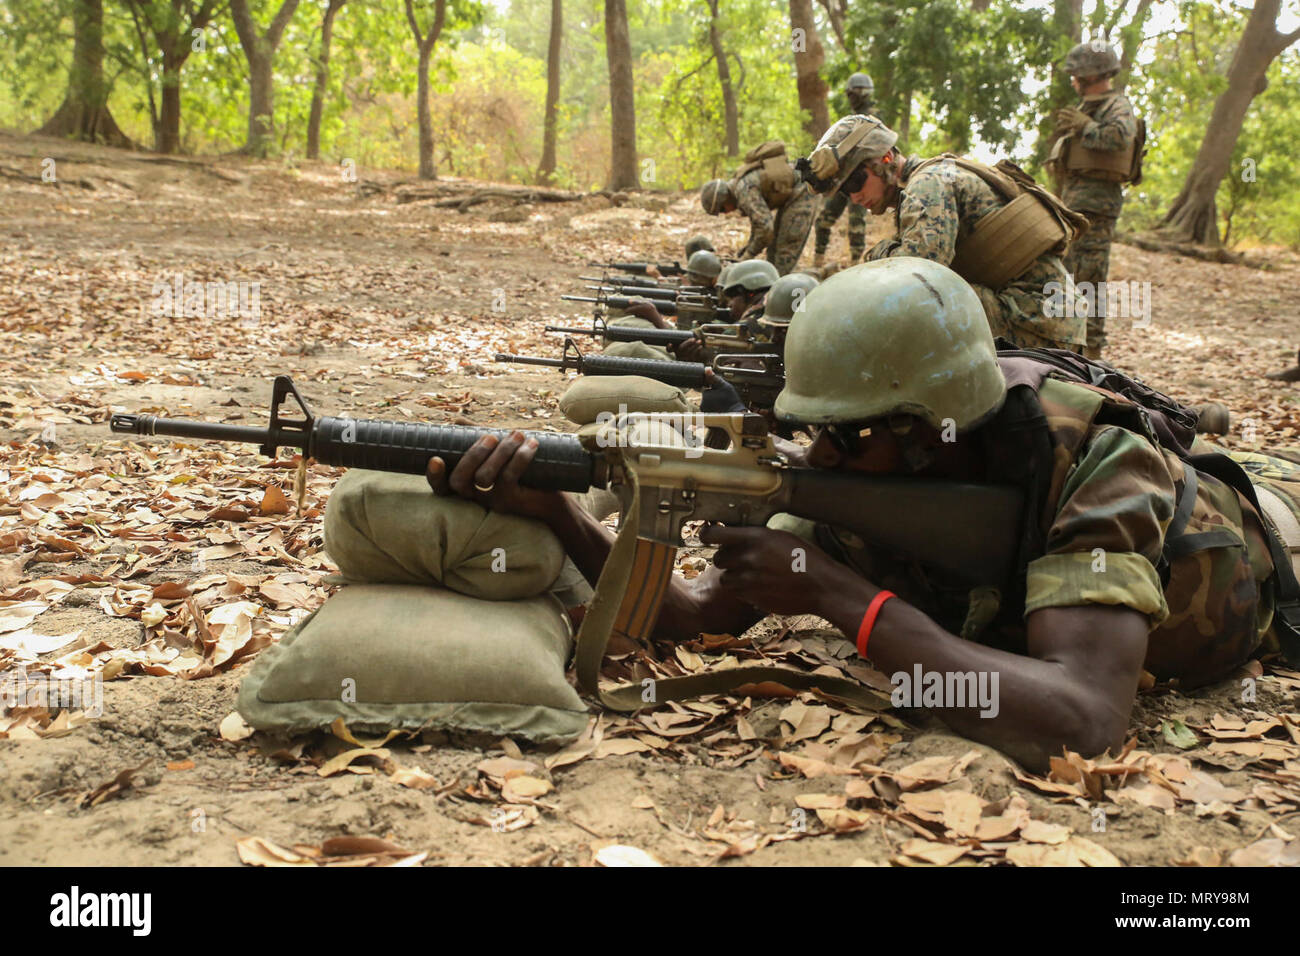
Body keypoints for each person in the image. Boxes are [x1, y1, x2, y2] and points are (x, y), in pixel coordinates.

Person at [407, 258, 1300, 771]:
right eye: (811, 435)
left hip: (1274, 533)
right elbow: (694, 615)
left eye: (845, 438)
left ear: (929, 434)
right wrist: (558, 512)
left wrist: (844, 599)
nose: (816, 460)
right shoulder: (853, 478)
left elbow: (1087, 723)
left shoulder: (1101, 465)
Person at [801, 114, 1087, 351]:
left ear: (885, 158)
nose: (854, 197)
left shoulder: (927, 184)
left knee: (916, 309)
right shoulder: (929, 179)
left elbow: (917, 278)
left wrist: (877, 254)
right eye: (845, 192)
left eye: (855, 182)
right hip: (1045, 317)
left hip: (1038, 321)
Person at [1048, 38, 1143, 360]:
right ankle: (1068, 349)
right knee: (1069, 279)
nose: (1073, 81)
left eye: (1076, 75)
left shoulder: (1117, 105)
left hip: (1097, 208)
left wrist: (1087, 126)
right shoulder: (1088, 108)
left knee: (1089, 280)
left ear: (1091, 75)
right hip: (1075, 205)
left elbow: (1120, 136)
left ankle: (1091, 354)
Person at [699, 147, 816, 276]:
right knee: (773, 252)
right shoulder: (740, 186)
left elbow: (765, 229)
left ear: (724, 198)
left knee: (784, 253)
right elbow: (759, 223)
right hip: (793, 192)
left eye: (722, 209)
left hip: (803, 189)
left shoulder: (744, 192)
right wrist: (748, 248)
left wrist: (747, 256)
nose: (725, 213)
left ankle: (806, 283)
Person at [813, 73, 874, 269]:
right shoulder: (851, 119)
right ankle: (817, 261)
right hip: (842, 179)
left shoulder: (874, 117)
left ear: (863, 94)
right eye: (848, 95)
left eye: (853, 94)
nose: (850, 99)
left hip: (862, 179)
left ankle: (856, 265)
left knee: (856, 226)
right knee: (823, 221)